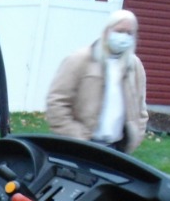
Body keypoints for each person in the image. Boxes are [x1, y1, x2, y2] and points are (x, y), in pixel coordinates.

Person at [45, 9, 149, 153]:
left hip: (116, 148)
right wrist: (77, 136)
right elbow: (56, 102)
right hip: (80, 146)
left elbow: (140, 109)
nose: (124, 36)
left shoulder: (134, 66)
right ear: (107, 31)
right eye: (119, 31)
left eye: (129, 33)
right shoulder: (80, 59)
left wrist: (135, 135)